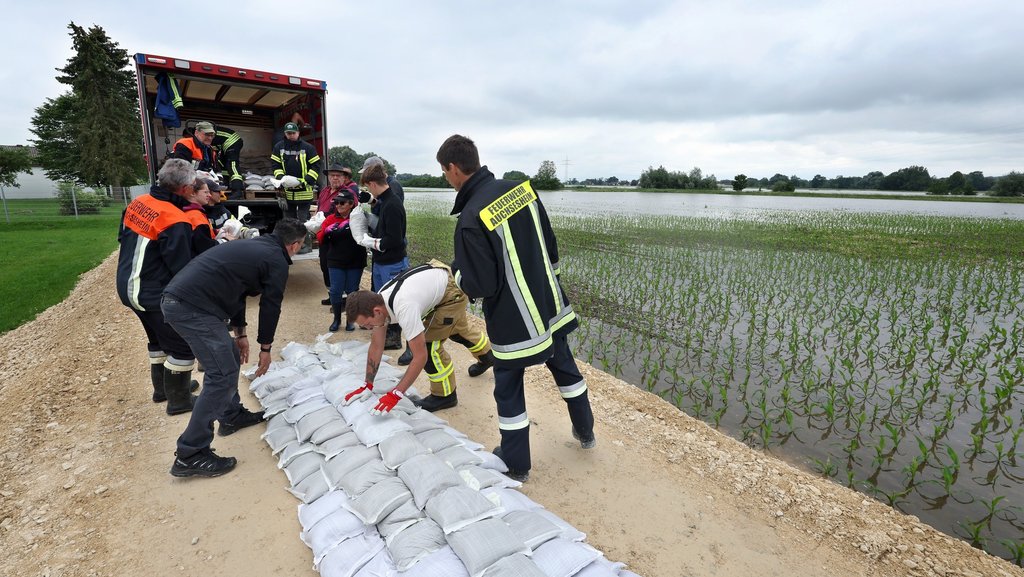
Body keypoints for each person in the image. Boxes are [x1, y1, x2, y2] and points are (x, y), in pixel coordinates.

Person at [435, 134, 596, 482]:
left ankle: (516, 463)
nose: (446, 179)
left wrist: (456, 271)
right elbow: (550, 248)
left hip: (513, 320)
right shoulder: (523, 191)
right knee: (566, 368)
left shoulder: (470, 218)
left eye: (444, 172)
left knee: (508, 389)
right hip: (550, 306)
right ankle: (586, 433)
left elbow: (481, 285)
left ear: (453, 169)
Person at [163, 218, 308, 477]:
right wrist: (266, 348)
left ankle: (230, 415)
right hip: (192, 308)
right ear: (295, 245)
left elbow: (238, 291)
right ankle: (190, 453)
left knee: (228, 357)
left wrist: (240, 333)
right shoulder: (275, 260)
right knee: (222, 375)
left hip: (187, 301)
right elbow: (270, 305)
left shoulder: (256, 248)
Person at [343, 261, 494, 413]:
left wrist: (396, 394)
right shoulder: (379, 300)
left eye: (368, 324)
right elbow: (376, 345)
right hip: (443, 279)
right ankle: (488, 356)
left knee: (430, 345)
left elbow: (420, 356)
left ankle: (444, 396)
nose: (369, 328)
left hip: (451, 294)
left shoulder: (404, 307)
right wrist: (367, 384)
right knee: (456, 328)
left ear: (376, 311)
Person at [115, 158, 202, 415]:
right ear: (185, 189)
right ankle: (179, 400)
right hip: (150, 292)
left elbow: (123, 236)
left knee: (158, 339)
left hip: (128, 286)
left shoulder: (139, 202)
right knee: (183, 346)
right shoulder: (175, 219)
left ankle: (164, 389)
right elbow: (182, 268)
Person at [357, 164, 408, 351]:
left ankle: (394, 338)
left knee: (393, 300)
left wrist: (372, 243)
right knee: (382, 300)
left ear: (372, 183)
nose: (369, 190)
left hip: (392, 263)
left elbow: (395, 239)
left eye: (368, 187)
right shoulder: (385, 201)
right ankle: (385, 332)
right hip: (382, 261)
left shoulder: (393, 205)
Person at [316, 194, 366, 332]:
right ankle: (336, 319)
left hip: (355, 260)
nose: (338, 205)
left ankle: (350, 320)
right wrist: (326, 231)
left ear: (351, 204)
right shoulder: (331, 219)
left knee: (352, 292)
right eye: (336, 202)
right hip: (335, 260)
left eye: (342, 203)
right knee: (335, 291)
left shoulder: (358, 218)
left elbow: (369, 232)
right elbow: (319, 237)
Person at [271, 121, 321, 250]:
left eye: (293, 133)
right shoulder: (279, 147)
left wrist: (304, 180)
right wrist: (282, 179)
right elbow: (275, 165)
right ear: (285, 134)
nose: (291, 135)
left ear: (298, 133)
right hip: (286, 192)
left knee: (303, 221)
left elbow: (316, 166)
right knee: (288, 222)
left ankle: (306, 245)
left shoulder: (308, 147)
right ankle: (290, 246)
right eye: (288, 133)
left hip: (304, 190)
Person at [316, 164, 361, 305]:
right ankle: (332, 295)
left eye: (338, 175)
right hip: (325, 235)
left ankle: (342, 301)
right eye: (332, 175)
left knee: (338, 268)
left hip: (340, 237)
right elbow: (318, 209)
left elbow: (355, 215)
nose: (335, 178)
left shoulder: (349, 193)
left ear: (344, 178)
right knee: (324, 265)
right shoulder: (324, 191)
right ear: (328, 177)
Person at [182, 178, 218, 256]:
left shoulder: (189, 211)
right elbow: (206, 248)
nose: (209, 195)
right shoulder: (195, 216)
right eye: (206, 192)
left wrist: (216, 232)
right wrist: (225, 240)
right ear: (192, 193)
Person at [211, 125, 245, 198]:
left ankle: (237, 190)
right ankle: (226, 185)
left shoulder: (202, 133)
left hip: (232, 141)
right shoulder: (203, 133)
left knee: (232, 165)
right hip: (224, 144)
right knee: (223, 165)